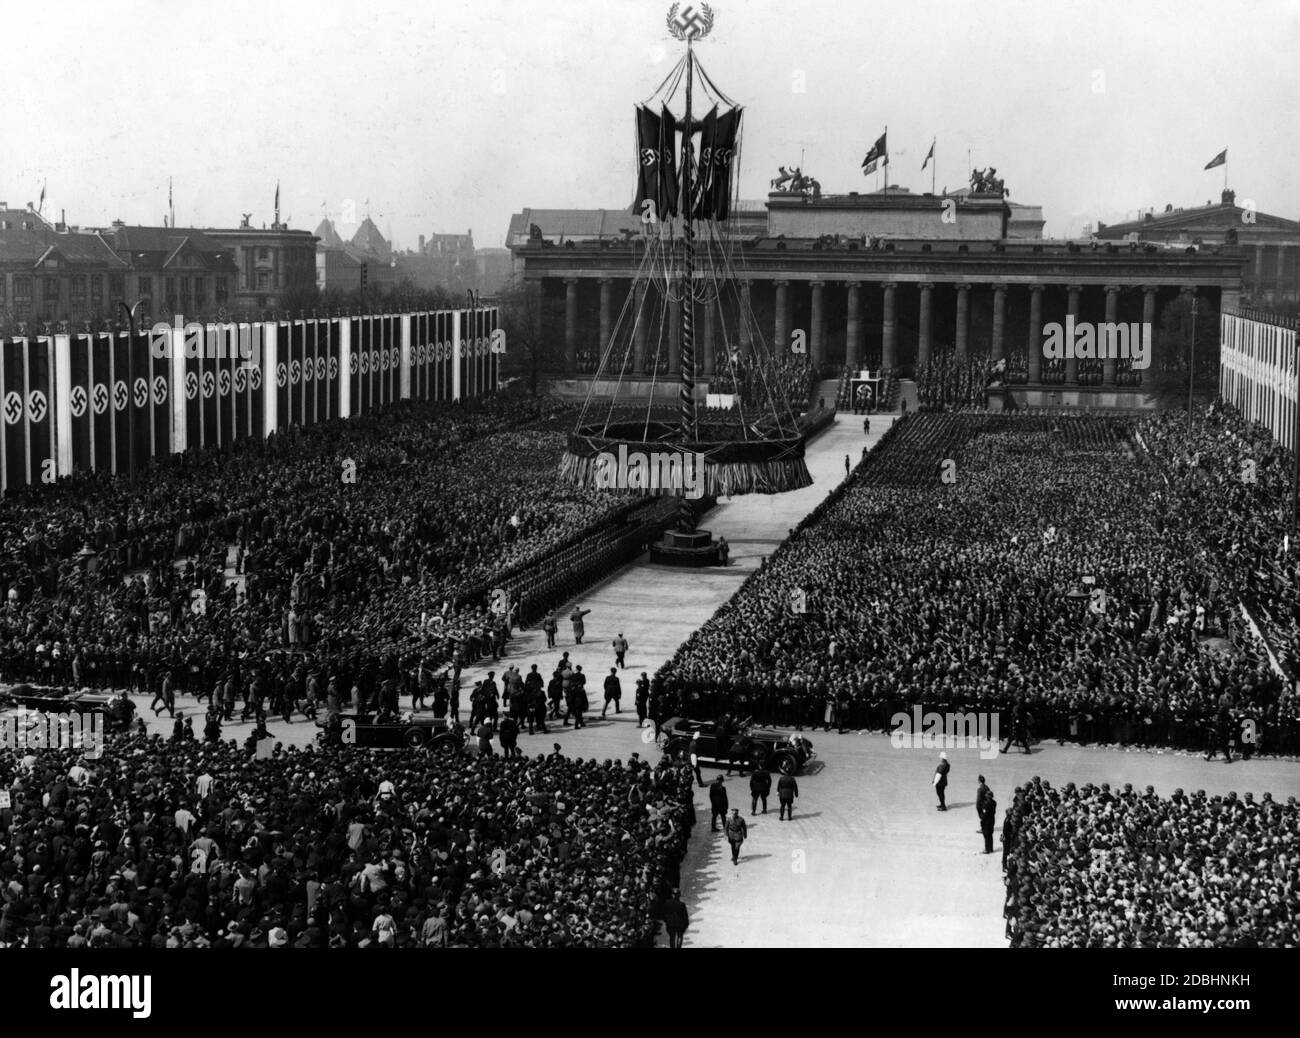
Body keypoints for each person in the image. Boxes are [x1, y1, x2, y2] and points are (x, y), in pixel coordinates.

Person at [979, 788, 998, 854]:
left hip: (986, 821)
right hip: (992, 819)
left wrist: (982, 820)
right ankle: (991, 848)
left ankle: (987, 849)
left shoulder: (986, 804)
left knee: (986, 835)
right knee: (990, 835)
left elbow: (984, 814)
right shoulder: (994, 802)